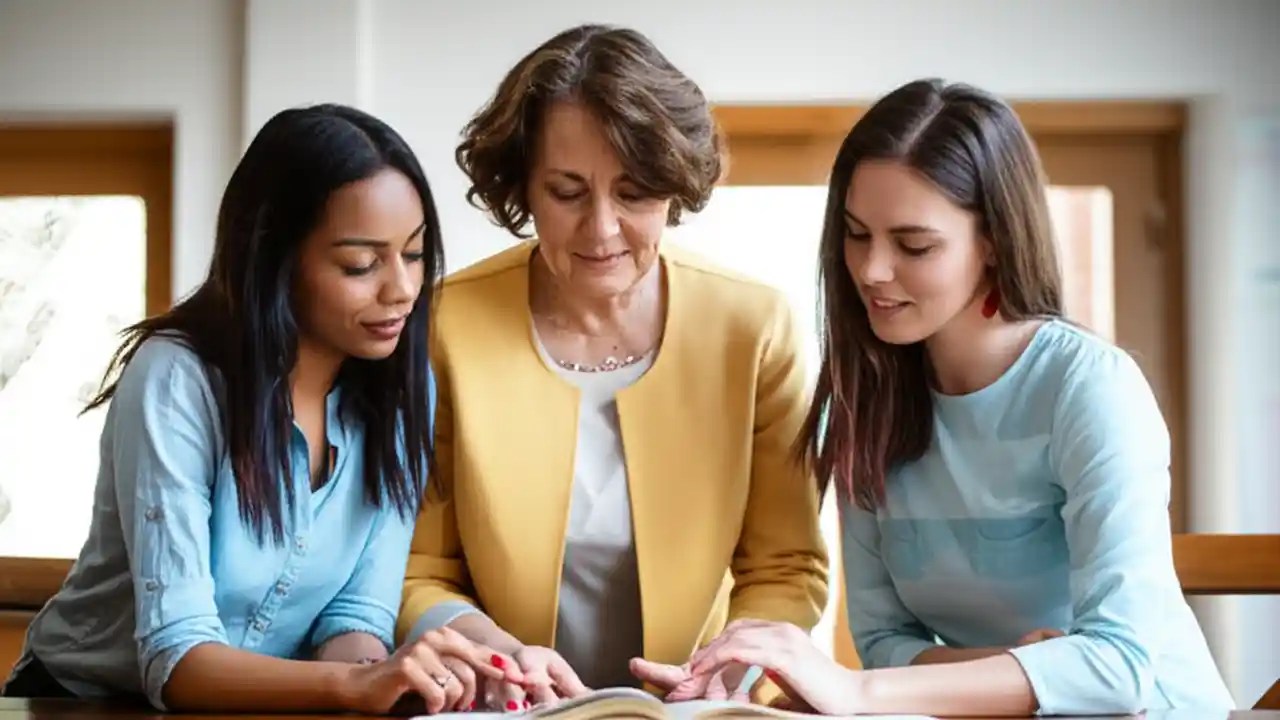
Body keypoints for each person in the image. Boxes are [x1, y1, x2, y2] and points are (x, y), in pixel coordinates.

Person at [664, 79, 1236, 715]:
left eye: (914, 245)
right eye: (856, 235)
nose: (872, 270)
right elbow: (883, 642)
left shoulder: (1090, 389)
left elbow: (1118, 668)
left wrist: (857, 689)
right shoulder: (869, 401)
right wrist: (1026, 669)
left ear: (992, 242)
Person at [1, 104, 521, 715]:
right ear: (274, 257)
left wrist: (388, 676)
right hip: (83, 704)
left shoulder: (404, 390)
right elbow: (178, 660)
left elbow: (354, 617)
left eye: (413, 254)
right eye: (361, 263)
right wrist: (355, 685)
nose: (403, 289)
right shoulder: (177, 380)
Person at [397, 24, 829, 710]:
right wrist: (505, 660)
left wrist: (728, 672)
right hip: (502, 705)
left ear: (673, 186)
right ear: (524, 187)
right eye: (567, 192)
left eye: (633, 194)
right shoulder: (444, 326)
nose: (601, 230)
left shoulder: (754, 326)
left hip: (698, 708)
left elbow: (785, 565)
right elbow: (419, 568)